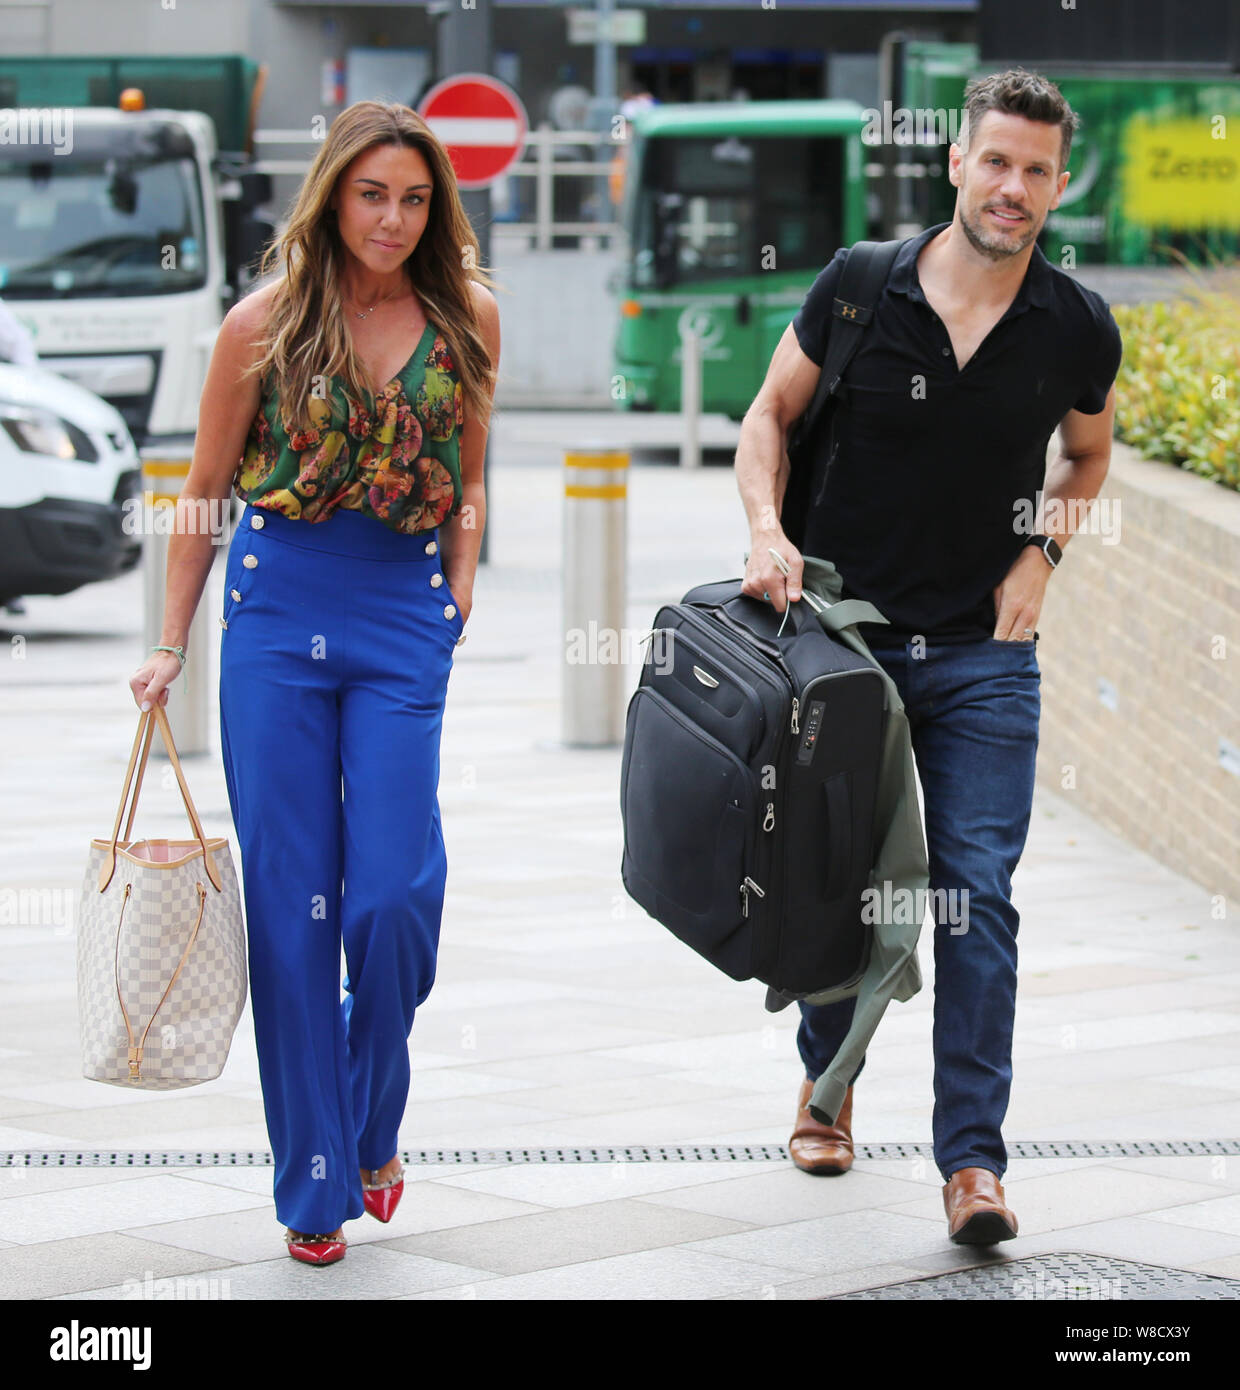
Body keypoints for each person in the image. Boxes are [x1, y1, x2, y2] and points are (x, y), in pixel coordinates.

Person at [734, 68, 1122, 1245]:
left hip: (981, 655)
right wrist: (765, 530)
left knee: (975, 896)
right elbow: (767, 418)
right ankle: (828, 1082)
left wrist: (1040, 556)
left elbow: (1087, 457)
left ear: (1058, 186)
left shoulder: (1074, 325)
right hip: (841, 645)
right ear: (956, 162)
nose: (1012, 187)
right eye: (994, 161)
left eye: (1035, 171)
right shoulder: (861, 285)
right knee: (836, 879)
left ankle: (972, 1164)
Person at [129, 100, 500, 1265]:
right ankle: (314, 1180)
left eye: (415, 198)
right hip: (277, 613)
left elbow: (470, 474)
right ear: (333, 195)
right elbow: (203, 490)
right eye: (372, 194)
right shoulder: (262, 323)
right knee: (296, 907)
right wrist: (171, 642)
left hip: (400, 614)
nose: (393, 219)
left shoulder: (468, 314)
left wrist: (457, 588)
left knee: (391, 897)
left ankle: (370, 1116)